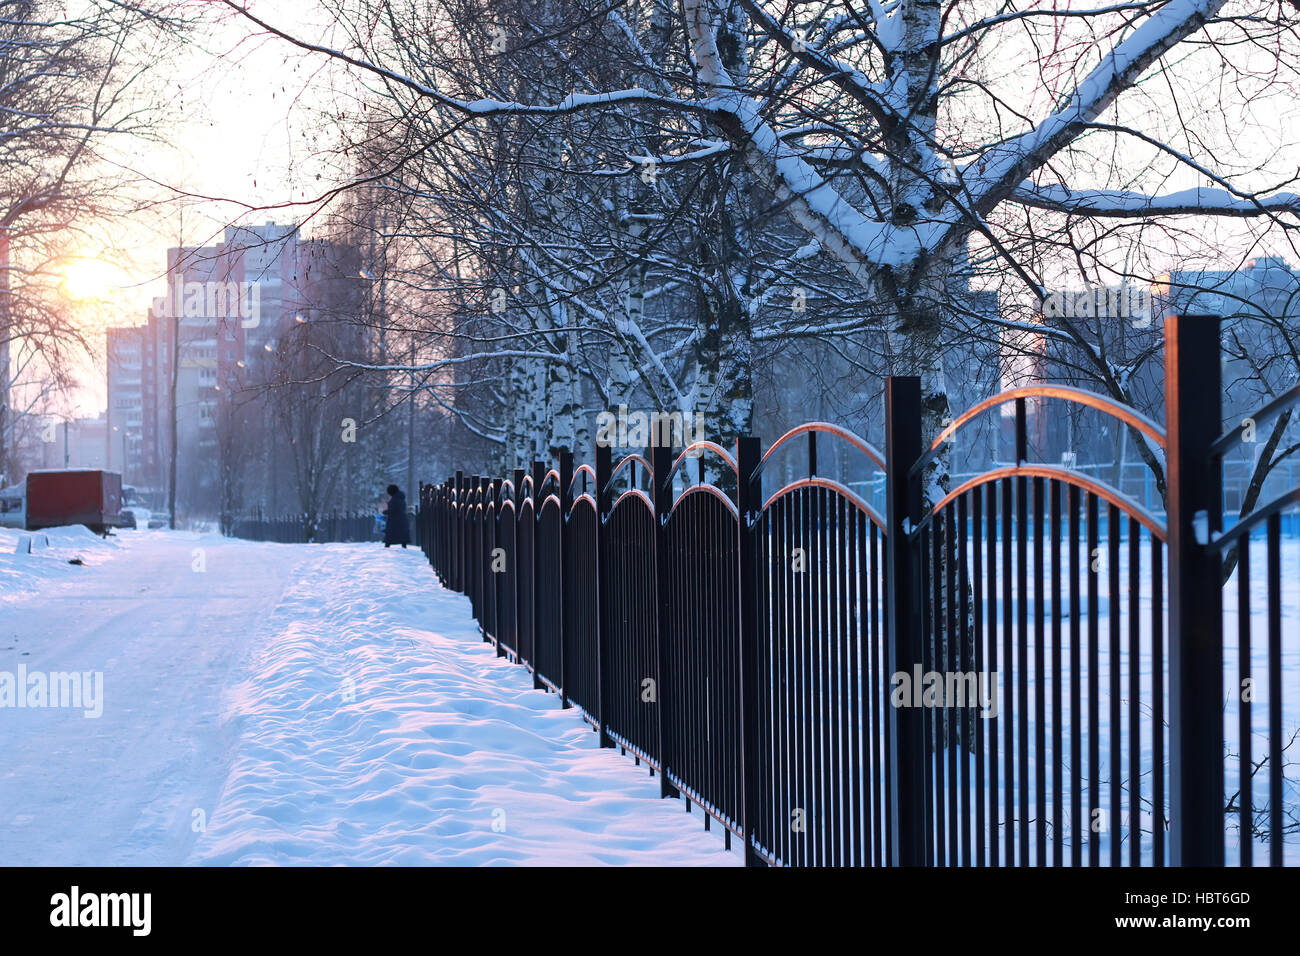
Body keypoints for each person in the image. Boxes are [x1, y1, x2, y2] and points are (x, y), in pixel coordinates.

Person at [383, 484, 410, 549]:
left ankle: (387, 546)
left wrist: (385, 511)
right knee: (402, 535)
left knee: (391, 535)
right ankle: (403, 545)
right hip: (401, 520)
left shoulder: (395, 499)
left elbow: (393, 510)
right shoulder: (399, 498)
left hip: (395, 520)